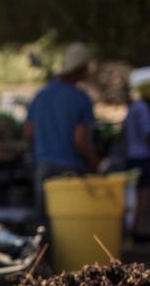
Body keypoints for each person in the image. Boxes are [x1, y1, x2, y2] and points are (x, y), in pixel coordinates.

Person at [25, 42, 99, 215]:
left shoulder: (41, 96)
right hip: (70, 171)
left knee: (46, 225)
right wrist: (93, 161)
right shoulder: (81, 99)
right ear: (81, 70)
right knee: (71, 223)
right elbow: (80, 140)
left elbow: (28, 133)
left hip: (44, 168)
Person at [124, 74, 150, 240]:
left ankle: (134, 230)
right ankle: (136, 230)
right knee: (143, 196)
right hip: (142, 157)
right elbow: (148, 134)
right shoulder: (142, 108)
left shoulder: (133, 108)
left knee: (136, 196)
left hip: (133, 156)